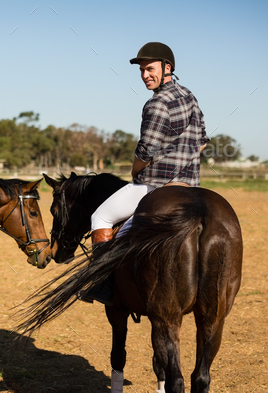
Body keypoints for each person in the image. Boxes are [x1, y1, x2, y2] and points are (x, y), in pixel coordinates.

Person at [80, 42, 208, 305]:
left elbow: (146, 150)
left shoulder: (157, 103)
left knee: (100, 217)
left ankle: (102, 282)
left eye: (150, 69)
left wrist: (135, 170)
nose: (144, 75)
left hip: (155, 184)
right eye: (141, 70)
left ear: (167, 67)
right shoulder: (190, 96)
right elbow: (203, 141)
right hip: (190, 185)